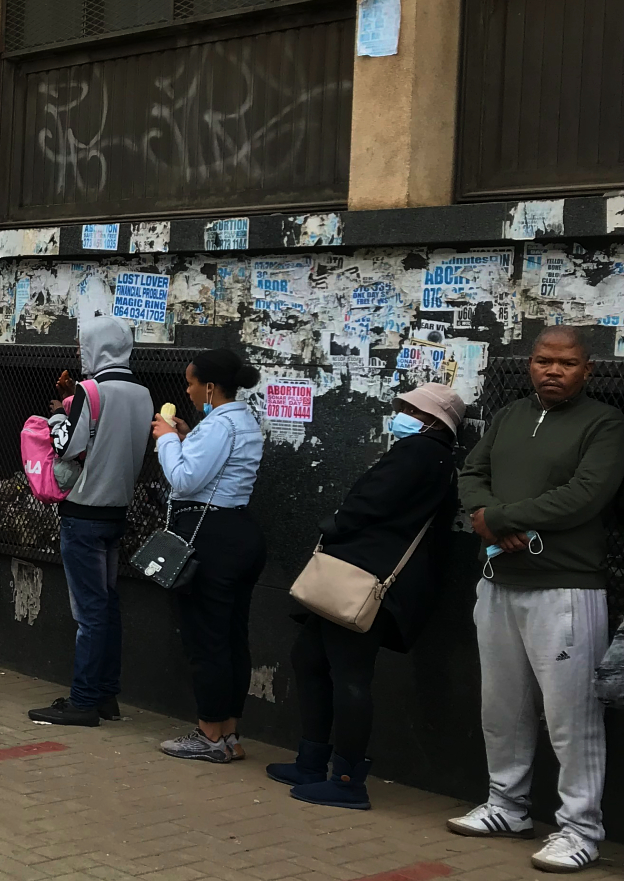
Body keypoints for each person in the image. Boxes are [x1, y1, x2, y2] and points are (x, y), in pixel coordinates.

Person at [450, 327, 624, 871]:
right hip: (499, 582)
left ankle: (580, 829)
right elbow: (472, 473)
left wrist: (498, 518)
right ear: (530, 365)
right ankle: (507, 805)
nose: (554, 370)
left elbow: (585, 495)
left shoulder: (605, 423)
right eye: (544, 361)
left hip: (567, 587)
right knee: (501, 706)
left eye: (567, 363)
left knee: (572, 718)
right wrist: (487, 519)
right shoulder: (508, 417)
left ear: (586, 370)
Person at [271, 382, 463, 812]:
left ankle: (345, 779)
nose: (400, 413)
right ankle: (311, 760)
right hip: (362, 574)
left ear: (431, 419)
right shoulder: (434, 457)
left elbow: (375, 501)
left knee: (349, 673)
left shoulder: (420, 452)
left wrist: (336, 523)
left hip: (366, 578)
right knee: (311, 657)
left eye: (409, 409)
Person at [29, 317, 154, 726]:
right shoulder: (143, 394)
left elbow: (69, 447)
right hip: (117, 511)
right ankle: (105, 696)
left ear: (95, 348)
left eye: (84, 346)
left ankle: (83, 701)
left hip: (83, 513)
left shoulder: (90, 390)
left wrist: (55, 420)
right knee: (107, 606)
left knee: (88, 613)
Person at [151, 347, 266, 764]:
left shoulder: (221, 426)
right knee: (232, 636)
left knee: (207, 639)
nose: (188, 389)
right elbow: (215, 468)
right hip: (238, 533)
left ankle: (209, 735)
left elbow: (184, 477)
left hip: (211, 536)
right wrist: (185, 435)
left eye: (192, 382)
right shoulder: (238, 420)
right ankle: (229, 732)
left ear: (211, 386)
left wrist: (166, 441)